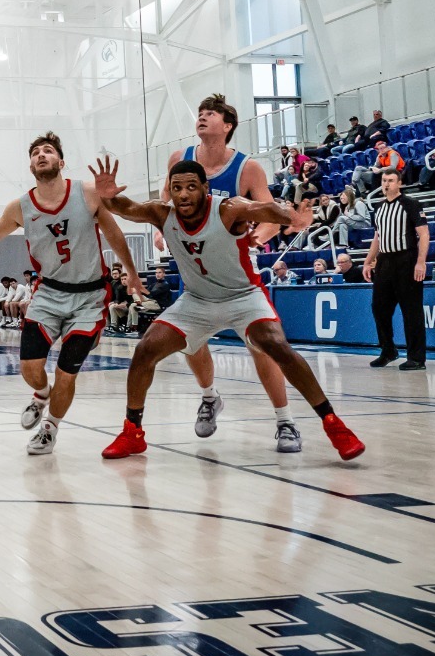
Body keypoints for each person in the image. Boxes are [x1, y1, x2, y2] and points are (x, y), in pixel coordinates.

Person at [91, 158, 366, 462]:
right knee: (145, 350)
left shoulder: (227, 208)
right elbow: (126, 208)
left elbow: (263, 210)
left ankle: (333, 425)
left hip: (243, 296)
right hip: (197, 299)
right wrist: (108, 196)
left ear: (205, 189)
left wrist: (292, 218)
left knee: (276, 346)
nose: (183, 194)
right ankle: (133, 432)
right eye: (177, 188)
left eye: (191, 187)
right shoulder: (162, 212)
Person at [0, 132, 145, 455]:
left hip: (89, 298)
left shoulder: (86, 193)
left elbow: (113, 234)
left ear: (61, 161)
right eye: (35, 153)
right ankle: (41, 395)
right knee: (30, 368)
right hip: (48, 295)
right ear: (30, 165)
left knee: (66, 372)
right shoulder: (21, 206)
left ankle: (50, 428)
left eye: (48, 151)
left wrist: (130, 271)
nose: (41, 155)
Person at [169, 95, 307, 453]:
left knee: (262, 346)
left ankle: (285, 421)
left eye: (210, 113)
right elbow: (167, 206)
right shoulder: (179, 160)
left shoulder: (248, 168)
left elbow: (271, 218)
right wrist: (161, 229)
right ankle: (209, 397)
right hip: (197, 269)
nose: (202, 117)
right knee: (191, 343)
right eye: (199, 113)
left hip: (238, 275)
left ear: (227, 125)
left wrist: (256, 239)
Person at [362, 169, 430, 371]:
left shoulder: (411, 204)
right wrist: (368, 261)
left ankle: (416, 358)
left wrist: (421, 261)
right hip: (384, 261)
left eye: (391, 180)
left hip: (406, 259)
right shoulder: (379, 207)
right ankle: (388, 350)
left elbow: (424, 235)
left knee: (411, 311)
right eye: (384, 180)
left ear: (399, 183)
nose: (386, 184)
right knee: (379, 307)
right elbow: (378, 236)